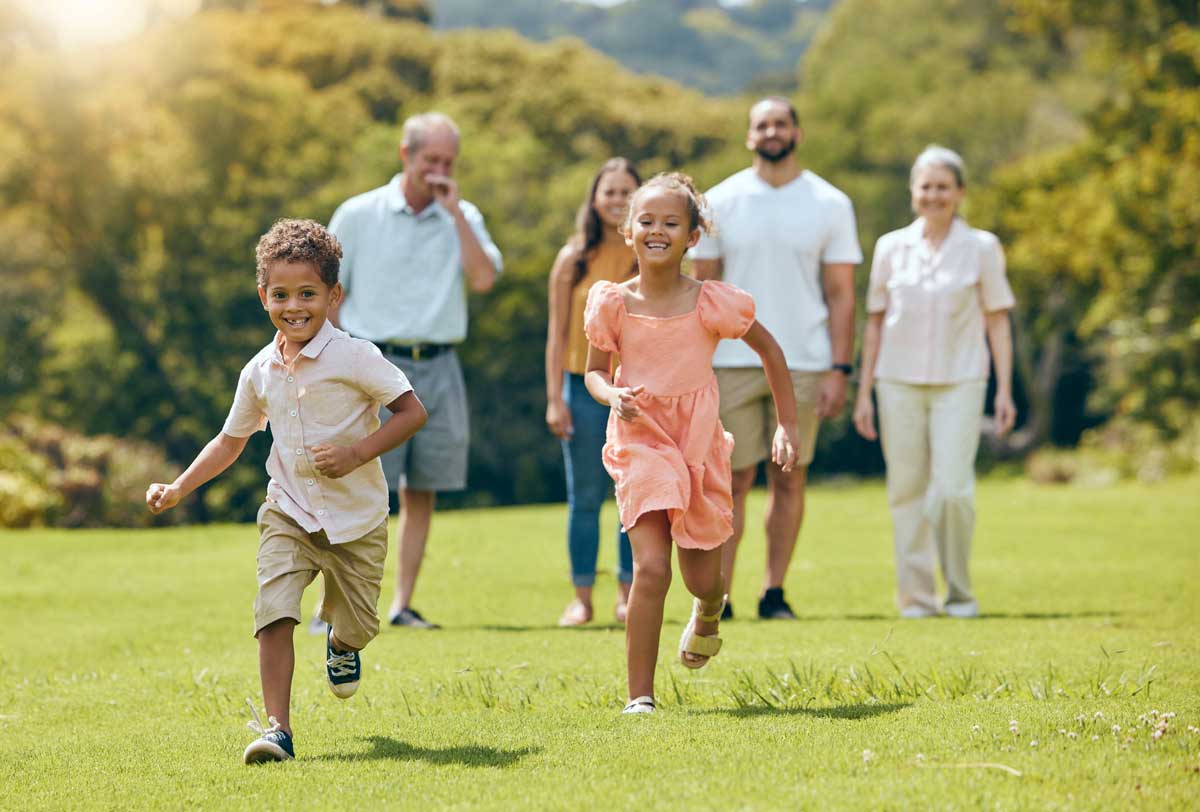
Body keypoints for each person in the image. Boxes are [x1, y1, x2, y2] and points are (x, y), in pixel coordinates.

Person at [145, 219, 428, 763]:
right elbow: (230, 441)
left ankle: (341, 645)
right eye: (280, 295)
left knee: (359, 625)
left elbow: (411, 412)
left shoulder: (356, 356)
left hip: (356, 519)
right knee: (274, 609)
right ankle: (278, 730)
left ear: (332, 295)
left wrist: (355, 454)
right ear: (263, 296)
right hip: (288, 511)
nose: (293, 306)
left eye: (307, 294)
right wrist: (180, 487)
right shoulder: (259, 371)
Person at [583, 173, 800, 714]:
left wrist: (786, 425)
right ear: (629, 231)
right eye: (647, 221)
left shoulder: (712, 302)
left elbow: (772, 354)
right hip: (640, 440)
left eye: (672, 223)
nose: (658, 231)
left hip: (698, 443)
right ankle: (641, 698)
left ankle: (709, 608)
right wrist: (612, 395)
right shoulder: (612, 302)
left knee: (701, 575)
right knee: (651, 567)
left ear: (693, 237)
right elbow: (593, 373)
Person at [329, 112, 502, 630]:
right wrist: (343, 357)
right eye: (431, 160)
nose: (439, 171)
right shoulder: (360, 213)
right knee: (360, 484)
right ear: (406, 156)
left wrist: (457, 216)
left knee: (422, 489)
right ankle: (337, 605)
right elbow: (329, 290)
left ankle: (402, 605)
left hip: (439, 365)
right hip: (373, 364)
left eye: (448, 163)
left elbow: (484, 278)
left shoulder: (462, 215)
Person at [692, 96, 862, 620]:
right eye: (761, 124)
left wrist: (840, 368)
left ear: (797, 132)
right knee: (733, 480)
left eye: (780, 123)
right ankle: (720, 595)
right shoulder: (720, 200)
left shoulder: (830, 203)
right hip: (731, 363)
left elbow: (841, 295)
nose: (771, 131)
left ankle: (774, 592)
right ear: (749, 136)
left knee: (789, 477)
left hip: (805, 362)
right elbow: (701, 290)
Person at [853, 145, 1016, 619]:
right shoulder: (890, 247)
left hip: (962, 379)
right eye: (925, 186)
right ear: (913, 192)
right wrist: (863, 393)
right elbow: (875, 323)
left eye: (944, 186)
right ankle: (917, 599)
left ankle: (960, 593)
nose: (934, 195)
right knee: (905, 491)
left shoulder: (982, 247)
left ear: (960, 192)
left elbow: (998, 321)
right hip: (896, 381)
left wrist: (1004, 389)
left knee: (951, 490)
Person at [545, 158, 640, 627]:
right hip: (580, 388)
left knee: (631, 496)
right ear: (595, 198)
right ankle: (582, 598)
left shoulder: (650, 253)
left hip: (636, 391)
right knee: (585, 497)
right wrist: (554, 398)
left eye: (627, 192)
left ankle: (629, 594)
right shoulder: (572, 258)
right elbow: (556, 333)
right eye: (611, 192)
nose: (618, 201)